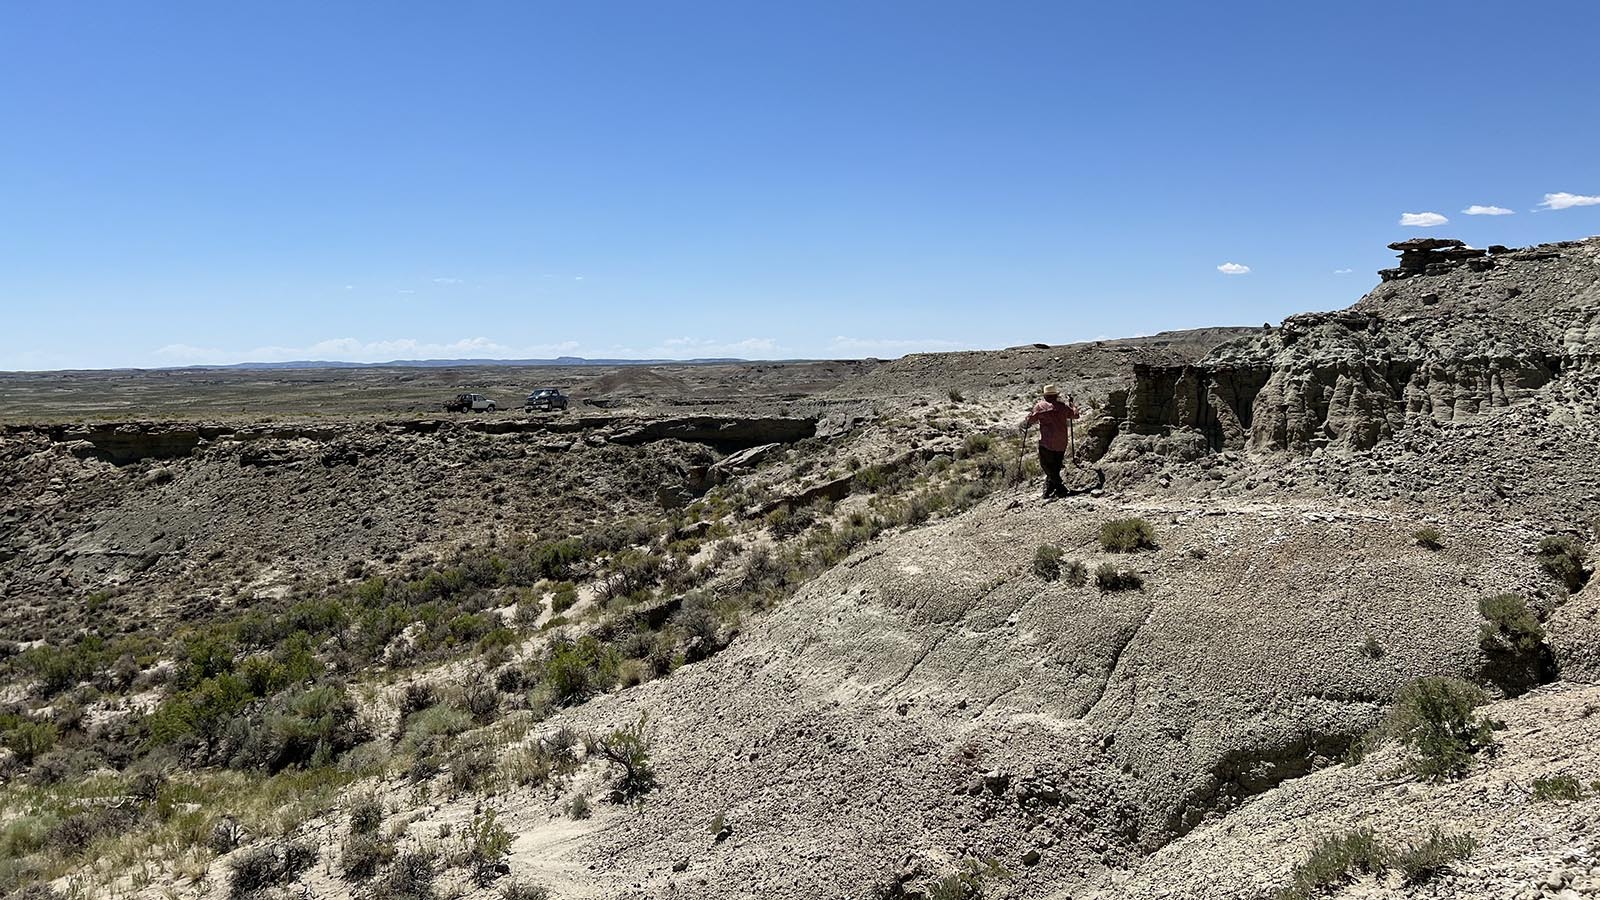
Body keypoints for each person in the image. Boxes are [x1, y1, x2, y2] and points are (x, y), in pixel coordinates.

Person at [1021, 385, 1081, 498]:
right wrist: (1072, 405)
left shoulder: (1040, 406)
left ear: (1045, 396)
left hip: (1047, 442)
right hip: (1061, 442)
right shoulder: (1063, 406)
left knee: (1046, 466)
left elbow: (1030, 420)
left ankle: (1060, 488)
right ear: (1056, 395)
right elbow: (1076, 415)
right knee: (1055, 467)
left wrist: (1030, 414)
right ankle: (1049, 491)